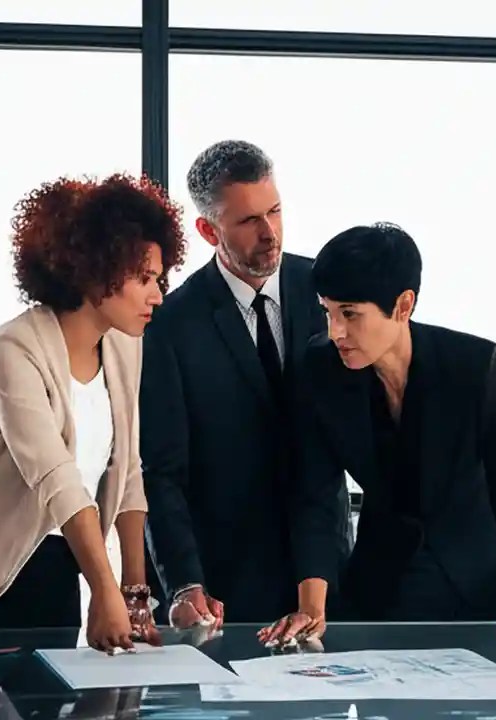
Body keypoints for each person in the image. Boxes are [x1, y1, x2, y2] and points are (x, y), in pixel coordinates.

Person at [0, 173, 186, 652]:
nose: (158, 295)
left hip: (58, 563)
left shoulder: (125, 345)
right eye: (144, 278)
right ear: (96, 271)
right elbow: (55, 475)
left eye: (159, 280)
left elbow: (127, 470)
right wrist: (103, 588)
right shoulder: (14, 346)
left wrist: (133, 592)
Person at [259, 223, 496, 644]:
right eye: (328, 312)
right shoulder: (319, 369)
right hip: (384, 587)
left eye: (350, 314)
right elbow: (314, 494)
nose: (335, 331)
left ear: (403, 305)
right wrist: (311, 608)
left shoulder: (473, 367)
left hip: (485, 585)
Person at [141, 140, 352, 628]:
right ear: (207, 230)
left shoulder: (326, 291)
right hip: (225, 587)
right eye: (248, 220)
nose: (269, 233)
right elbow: (162, 471)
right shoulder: (171, 325)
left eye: (274, 211)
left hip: (328, 574)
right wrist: (184, 582)